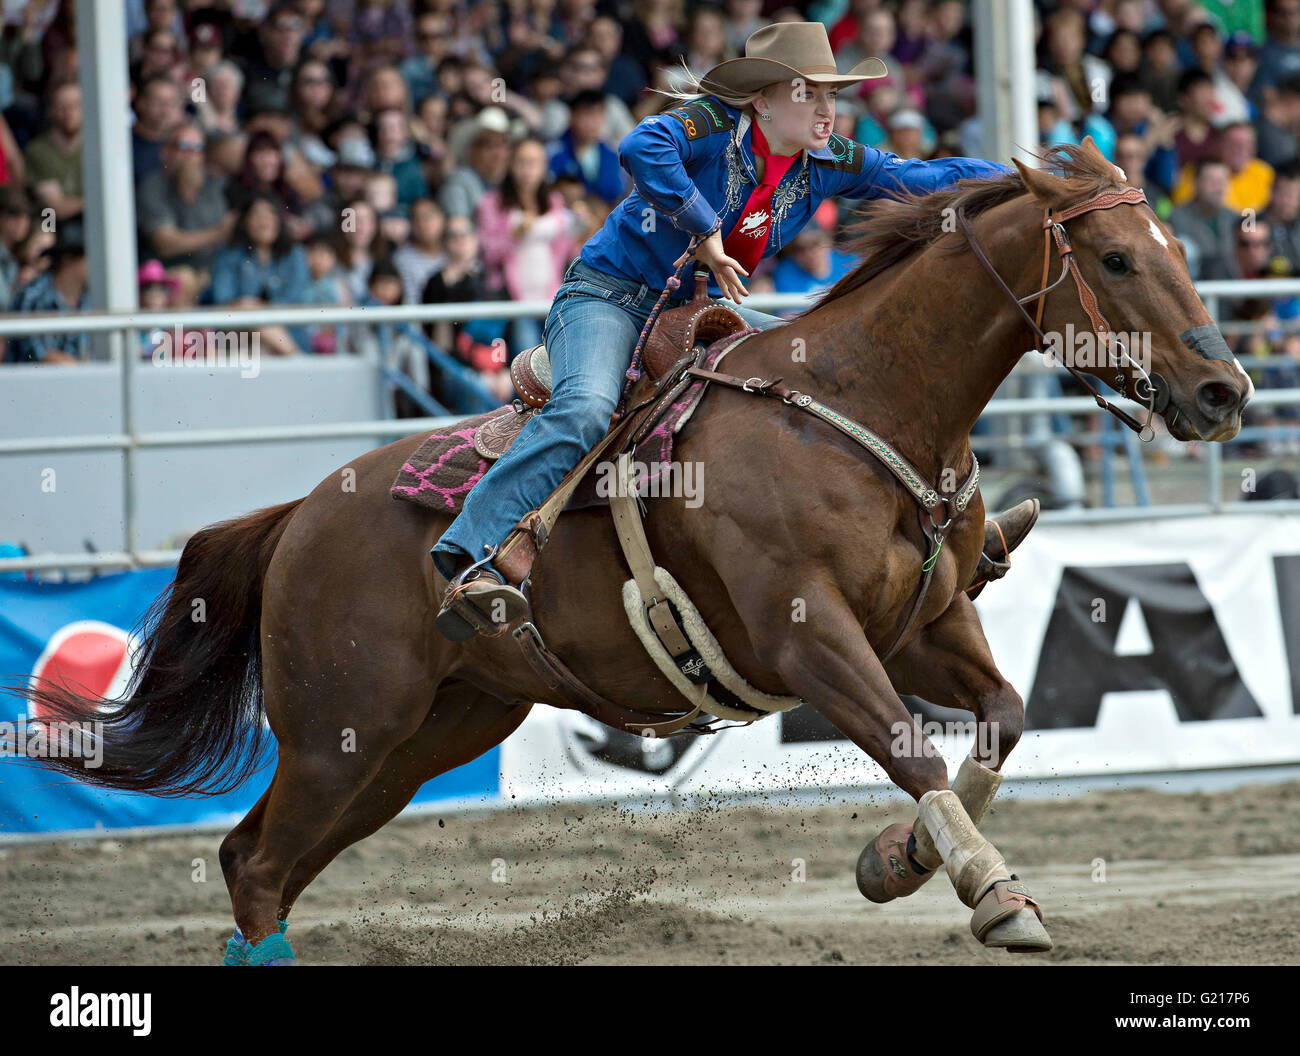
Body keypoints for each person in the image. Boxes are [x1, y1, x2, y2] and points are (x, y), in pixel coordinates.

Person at [431, 21, 1043, 641]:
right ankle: (469, 554)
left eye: (832, 96)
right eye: (809, 94)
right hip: (609, 296)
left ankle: (952, 529)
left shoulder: (827, 162)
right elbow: (642, 147)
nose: (827, 109)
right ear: (765, 99)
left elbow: (921, 178)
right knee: (586, 407)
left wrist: (1029, 180)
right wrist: (705, 229)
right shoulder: (709, 125)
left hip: (697, 308)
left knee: (832, 372)